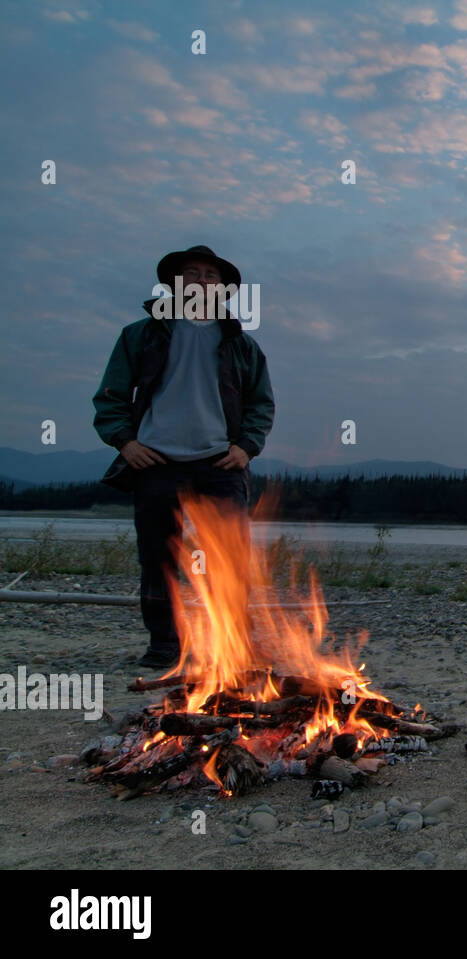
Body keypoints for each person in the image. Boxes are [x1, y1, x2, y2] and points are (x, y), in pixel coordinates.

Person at [92, 245, 274, 669]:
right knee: (158, 557)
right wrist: (126, 442)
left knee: (228, 558)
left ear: (222, 289)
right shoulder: (140, 335)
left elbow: (261, 403)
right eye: (191, 272)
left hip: (220, 464)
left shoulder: (240, 344)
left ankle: (235, 645)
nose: (201, 280)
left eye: (211, 275)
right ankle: (164, 645)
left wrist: (245, 448)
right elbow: (110, 396)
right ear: (174, 283)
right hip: (155, 461)